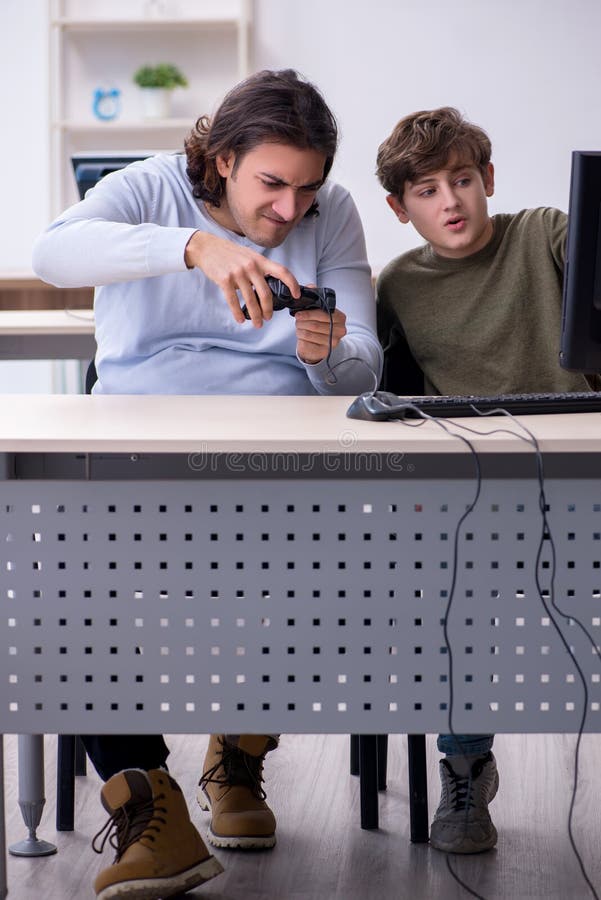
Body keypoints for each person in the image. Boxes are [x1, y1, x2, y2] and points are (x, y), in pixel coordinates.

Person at [32, 68, 382, 899]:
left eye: (307, 187)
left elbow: (364, 363)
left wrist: (329, 353)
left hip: (278, 458)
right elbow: (52, 254)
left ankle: (238, 752)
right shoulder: (150, 188)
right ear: (221, 158)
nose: (290, 211)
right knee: (63, 583)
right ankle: (152, 805)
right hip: (135, 448)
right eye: (271, 184)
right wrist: (191, 246)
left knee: (336, 559)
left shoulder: (329, 214)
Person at [375, 106, 597, 855]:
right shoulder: (397, 287)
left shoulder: (546, 231)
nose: (451, 203)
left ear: (487, 179)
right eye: (427, 190)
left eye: (462, 180)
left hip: (585, 471)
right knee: (455, 588)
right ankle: (464, 767)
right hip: (479, 493)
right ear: (399, 209)